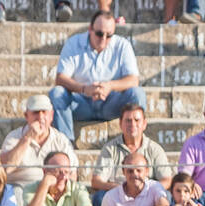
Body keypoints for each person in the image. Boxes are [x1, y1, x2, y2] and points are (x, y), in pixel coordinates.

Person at [49, 10, 145, 141]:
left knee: (137, 93)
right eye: (99, 34)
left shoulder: (122, 45)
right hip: (81, 103)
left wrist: (110, 86)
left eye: (109, 35)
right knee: (57, 93)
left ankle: (135, 144)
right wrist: (84, 89)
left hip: (111, 102)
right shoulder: (73, 43)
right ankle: (65, 146)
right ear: (90, 29)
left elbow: (134, 80)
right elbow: (60, 78)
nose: (104, 39)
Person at [90, 104, 173, 206]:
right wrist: (122, 188)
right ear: (120, 124)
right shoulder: (110, 149)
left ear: (144, 124)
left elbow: (167, 180)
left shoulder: (154, 149)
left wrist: (145, 191)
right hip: (119, 195)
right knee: (99, 198)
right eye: (128, 120)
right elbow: (96, 181)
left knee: (166, 196)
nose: (132, 124)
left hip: (147, 194)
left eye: (137, 120)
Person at [0, 94, 78, 191]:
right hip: (19, 189)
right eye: (36, 113)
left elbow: (72, 173)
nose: (40, 117)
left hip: (51, 191)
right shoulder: (13, 137)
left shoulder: (61, 140)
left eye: (44, 112)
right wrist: (27, 139)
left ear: (51, 116)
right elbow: (7, 168)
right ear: (26, 116)